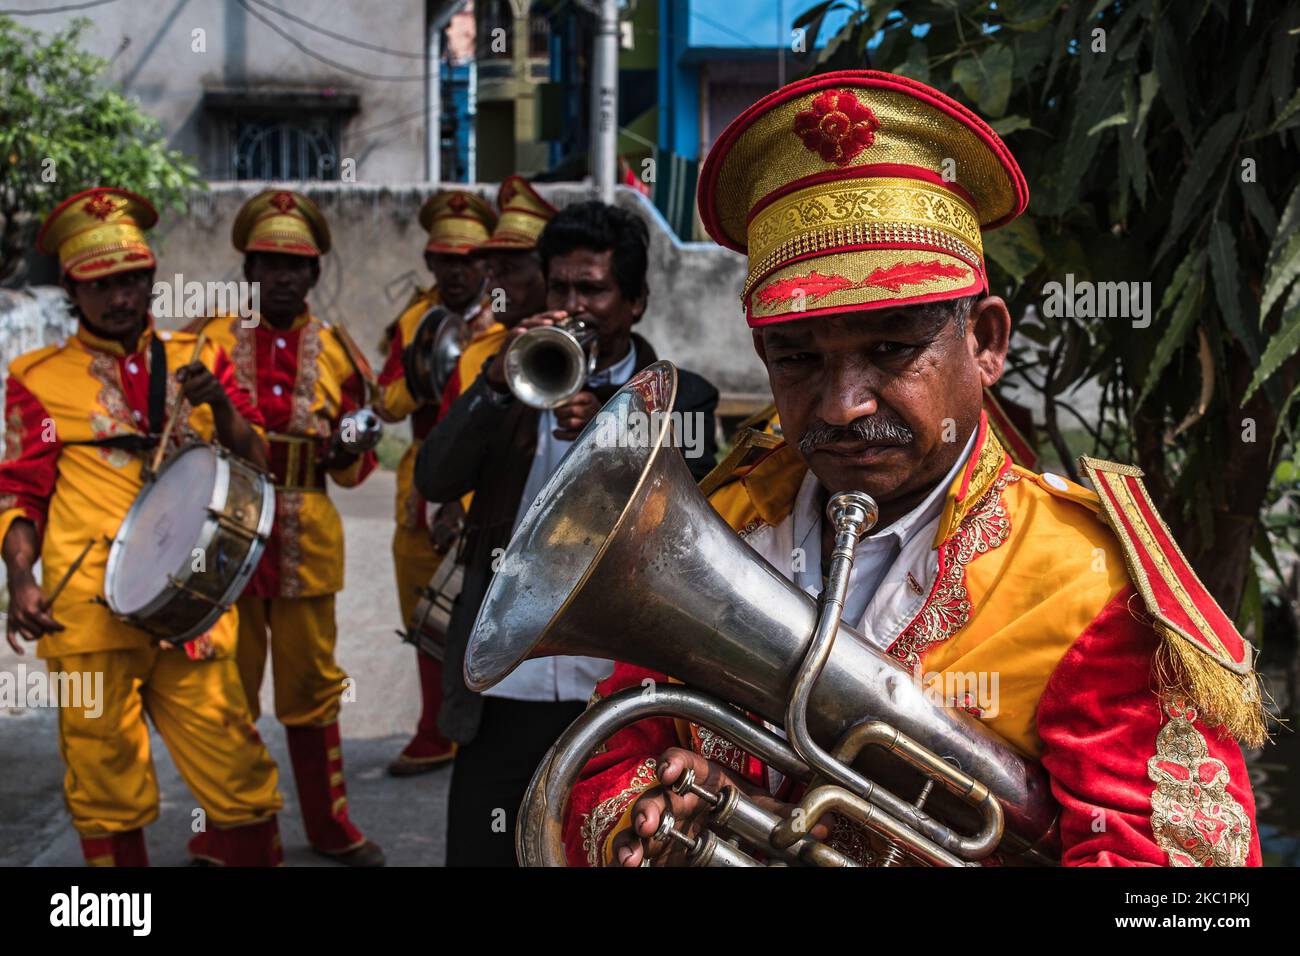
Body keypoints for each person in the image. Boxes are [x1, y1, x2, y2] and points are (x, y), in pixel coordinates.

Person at [564, 71, 1264, 868]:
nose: (841, 407)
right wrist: (652, 819)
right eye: (797, 360)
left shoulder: (1092, 585)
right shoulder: (720, 519)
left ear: (986, 343)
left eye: (892, 350)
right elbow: (609, 755)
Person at [416, 200, 720, 865]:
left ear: (635, 301)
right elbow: (435, 476)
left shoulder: (684, 398)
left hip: (610, 684)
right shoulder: (510, 376)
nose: (573, 304)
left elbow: (699, 522)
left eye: (593, 289)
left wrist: (617, 439)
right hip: (507, 681)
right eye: (559, 288)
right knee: (480, 852)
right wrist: (496, 383)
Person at [1, 187, 283, 866]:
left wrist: (222, 407)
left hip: (193, 607)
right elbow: (21, 490)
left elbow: (256, 459)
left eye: (132, 279)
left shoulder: (201, 358)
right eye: (101, 284)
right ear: (72, 290)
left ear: (152, 279)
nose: (120, 296)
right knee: (104, 786)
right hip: (83, 613)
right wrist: (19, 577)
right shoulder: (34, 378)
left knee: (240, 777)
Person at [191, 189, 383, 866]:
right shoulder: (210, 340)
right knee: (224, 694)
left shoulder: (335, 348)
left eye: (296, 264)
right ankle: (226, 828)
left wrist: (351, 446)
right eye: (269, 261)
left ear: (315, 275)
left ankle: (328, 824)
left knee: (312, 692)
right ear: (249, 269)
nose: (282, 275)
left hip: (307, 535)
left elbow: (364, 450)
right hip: (227, 534)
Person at [375, 190, 496, 776]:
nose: (456, 270)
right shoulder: (413, 320)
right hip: (426, 472)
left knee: (483, 602)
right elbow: (388, 401)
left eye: (469, 258)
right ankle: (434, 728)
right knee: (426, 607)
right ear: (430, 262)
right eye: (445, 259)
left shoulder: (507, 318)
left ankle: (486, 719)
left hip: (493, 471)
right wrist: (421, 376)